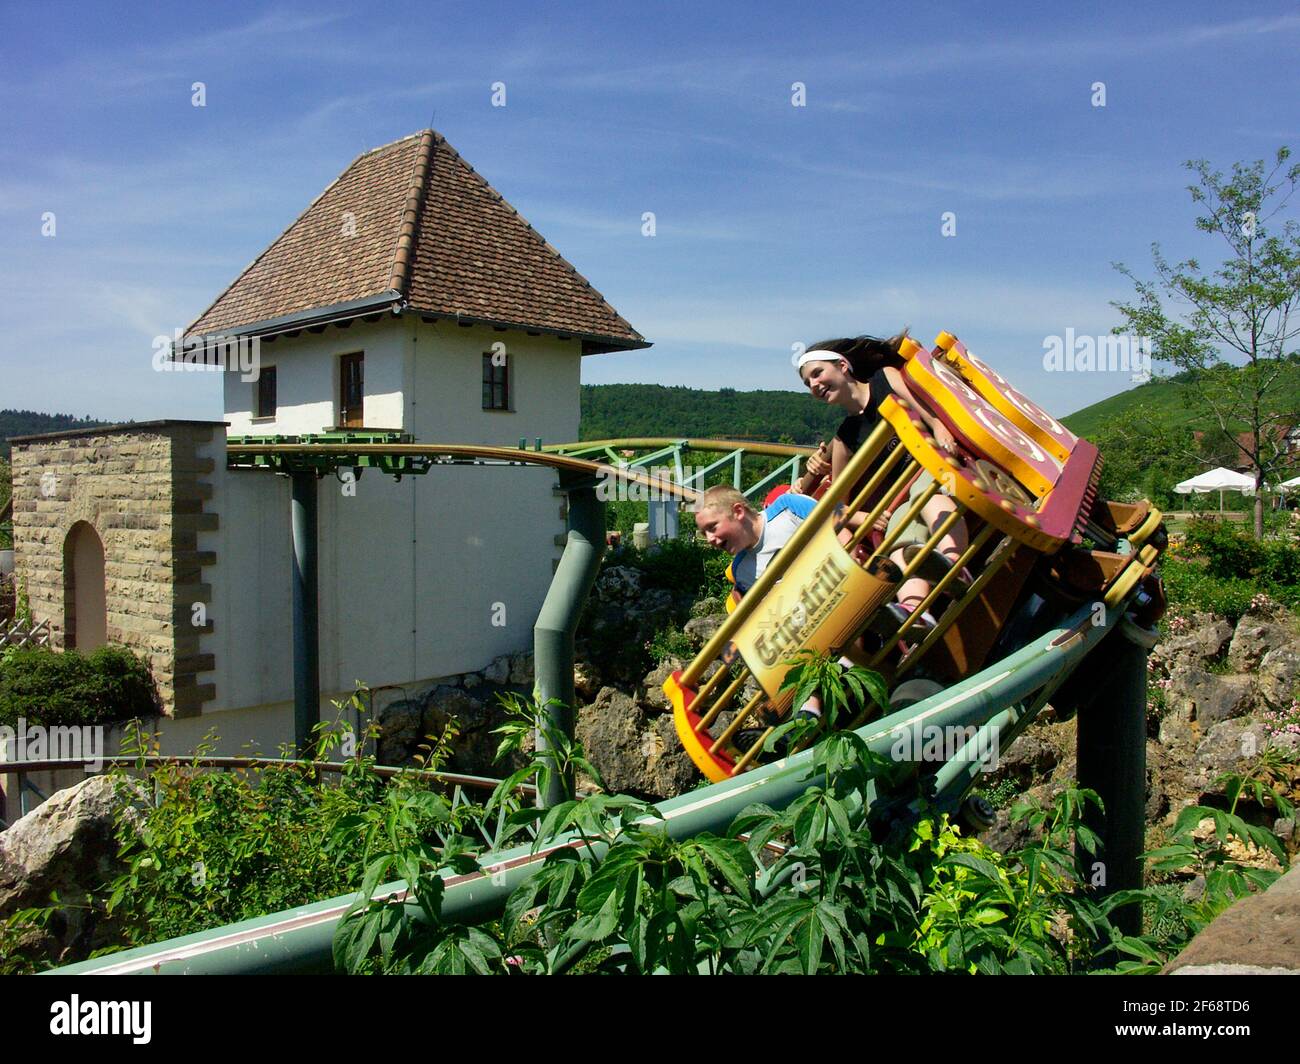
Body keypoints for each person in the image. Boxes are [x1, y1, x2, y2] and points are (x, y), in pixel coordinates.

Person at [796, 332, 971, 634]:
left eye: (817, 373)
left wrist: (940, 429)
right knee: (899, 541)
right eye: (807, 383)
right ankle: (915, 614)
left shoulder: (884, 379)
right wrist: (868, 517)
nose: (814, 385)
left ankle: (955, 566)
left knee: (928, 495)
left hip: (936, 468)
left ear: (842, 365)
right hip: (904, 497)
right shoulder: (845, 439)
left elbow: (929, 412)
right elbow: (838, 505)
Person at [693, 484, 843, 729]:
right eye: (704, 533)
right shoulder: (742, 569)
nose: (709, 539)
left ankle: (806, 703)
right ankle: (804, 712)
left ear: (738, 511)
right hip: (803, 629)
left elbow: (840, 521)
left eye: (712, 527)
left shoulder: (788, 509)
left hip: (837, 591)